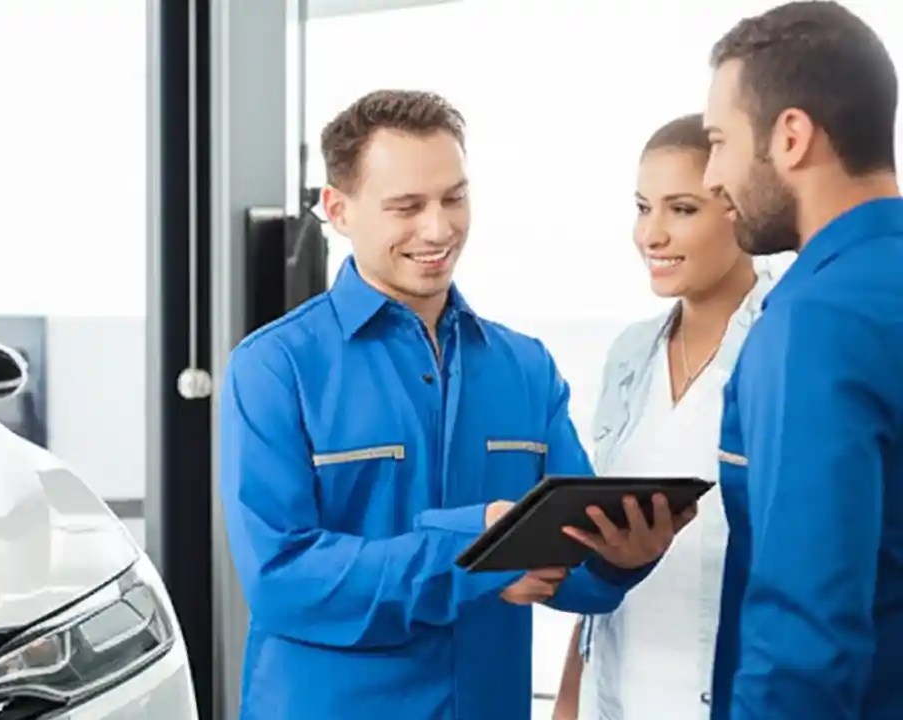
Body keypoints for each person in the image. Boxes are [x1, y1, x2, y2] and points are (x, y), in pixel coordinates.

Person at [218, 89, 695, 720]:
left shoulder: (525, 368)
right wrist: (474, 551)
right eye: (407, 206)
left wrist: (619, 563)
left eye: (454, 198)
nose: (439, 229)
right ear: (338, 209)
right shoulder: (274, 368)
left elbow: (572, 576)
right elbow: (281, 579)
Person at [700, 2, 903, 718]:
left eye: (719, 141)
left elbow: (806, 641)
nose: (713, 175)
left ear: (791, 136)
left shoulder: (814, 323)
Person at [549, 114, 776, 720]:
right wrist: (568, 702)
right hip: (616, 696)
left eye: (681, 209)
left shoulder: (784, 345)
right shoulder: (632, 354)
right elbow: (603, 544)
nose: (651, 234)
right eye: (643, 208)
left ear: (740, 210)